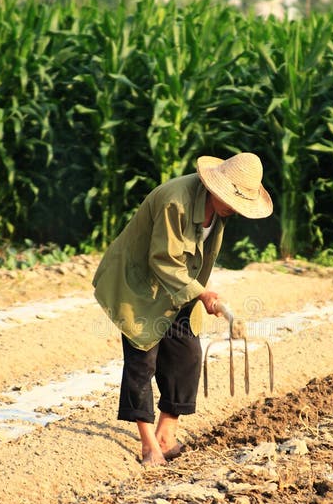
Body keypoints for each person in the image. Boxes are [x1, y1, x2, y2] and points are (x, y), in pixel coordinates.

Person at [92, 151, 273, 466]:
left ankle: (167, 434)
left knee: (187, 355)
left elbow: (194, 258)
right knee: (142, 360)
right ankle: (149, 447)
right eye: (231, 199)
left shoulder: (218, 209)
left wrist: (197, 294)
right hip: (139, 284)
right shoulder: (176, 202)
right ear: (216, 186)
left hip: (179, 287)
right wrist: (202, 294)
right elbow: (162, 259)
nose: (233, 208)